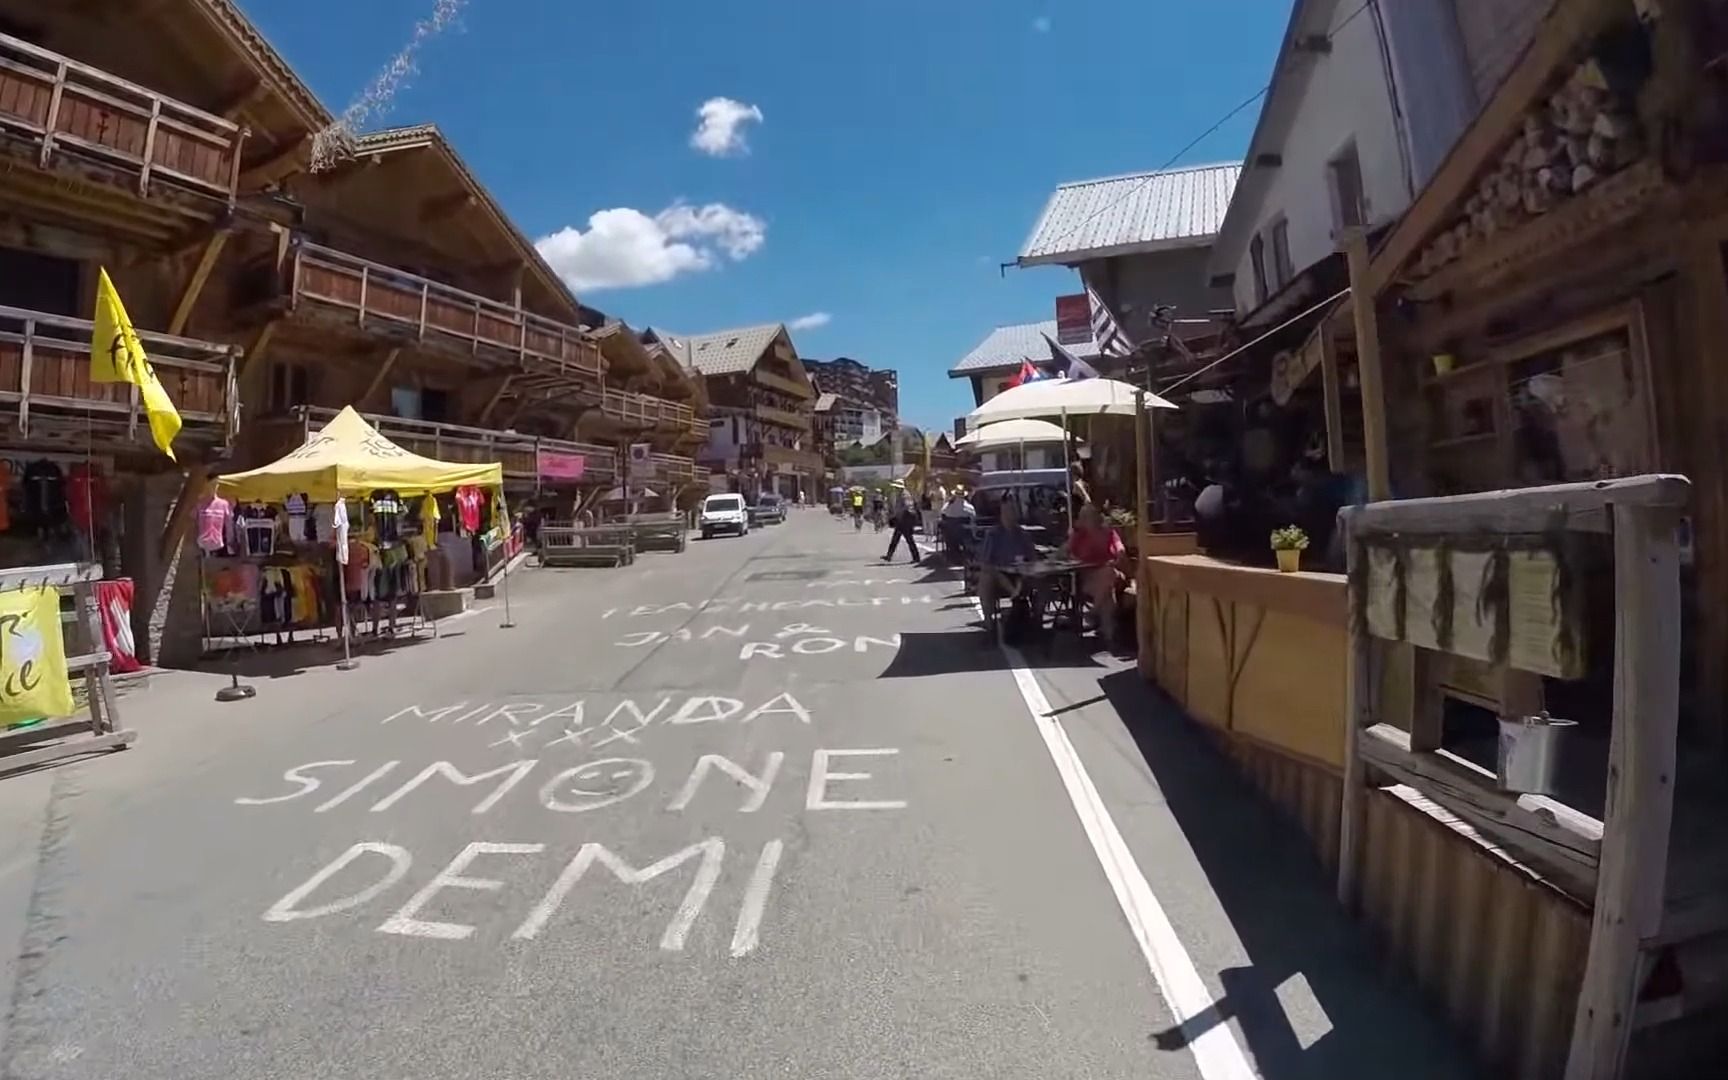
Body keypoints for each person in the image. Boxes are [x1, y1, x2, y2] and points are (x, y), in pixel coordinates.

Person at [1066, 504, 1127, 650]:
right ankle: (1109, 638)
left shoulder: (1108, 532)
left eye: (1088, 516)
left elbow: (1120, 548)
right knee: (1108, 599)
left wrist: (1119, 555)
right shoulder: (1079, 536)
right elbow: (1068, 553)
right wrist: (1075, 557)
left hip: (1112, 574)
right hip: (1089, 578)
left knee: (1109, 572)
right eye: (1083, 516)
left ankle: (1093, 613)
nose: (1086, 519)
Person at [978, 498, 1040, 618]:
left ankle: (1037, 620)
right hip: (1000, 575)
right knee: (987, 578)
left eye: (1012, 511)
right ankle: (990, 623)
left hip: (1022, 574)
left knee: (1042, 582)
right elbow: (985, 562)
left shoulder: (1024, 535)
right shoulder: (993, 535)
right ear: (1001, 514)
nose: (1009, 515)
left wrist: (1030, 568)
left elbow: (1033, 558)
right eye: (1006, 512)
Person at [882, 486, 920, 563]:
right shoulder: (901, 494)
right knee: (896, 538)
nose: (895, 489)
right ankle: (889, 555)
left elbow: (906, 507)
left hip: (905, 519)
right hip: (902, 519)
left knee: (908, 539)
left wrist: (897, 515)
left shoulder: (904, 495)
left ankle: (916, 557)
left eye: (896, 487)